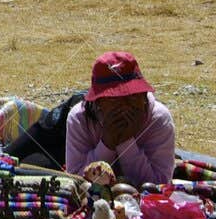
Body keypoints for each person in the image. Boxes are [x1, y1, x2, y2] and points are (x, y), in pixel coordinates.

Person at [62, 51, 176, 186]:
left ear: (144, 95)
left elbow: (160, 185)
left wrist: (126, 142)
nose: (125, 106)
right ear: (98, 102)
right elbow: (75, 182)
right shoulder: (79, 118)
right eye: (114, 99)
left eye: (133, 96)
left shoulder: (158, 118)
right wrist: (107, 143)